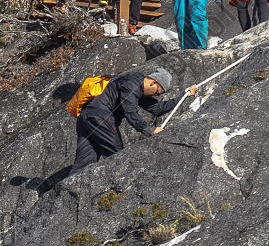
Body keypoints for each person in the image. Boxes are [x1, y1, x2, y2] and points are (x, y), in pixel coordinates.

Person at [70, 67, 199, 172]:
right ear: (153, 82)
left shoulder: (138, 89)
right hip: (100, 117)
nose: (155, 95)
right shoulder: (131, 84)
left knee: (84, 162)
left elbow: (158, 109)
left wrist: (184, 96)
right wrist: (148, 130)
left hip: (85, 119)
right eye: (157, 92)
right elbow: (129, 110)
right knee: (117, 157)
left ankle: (69, 193)